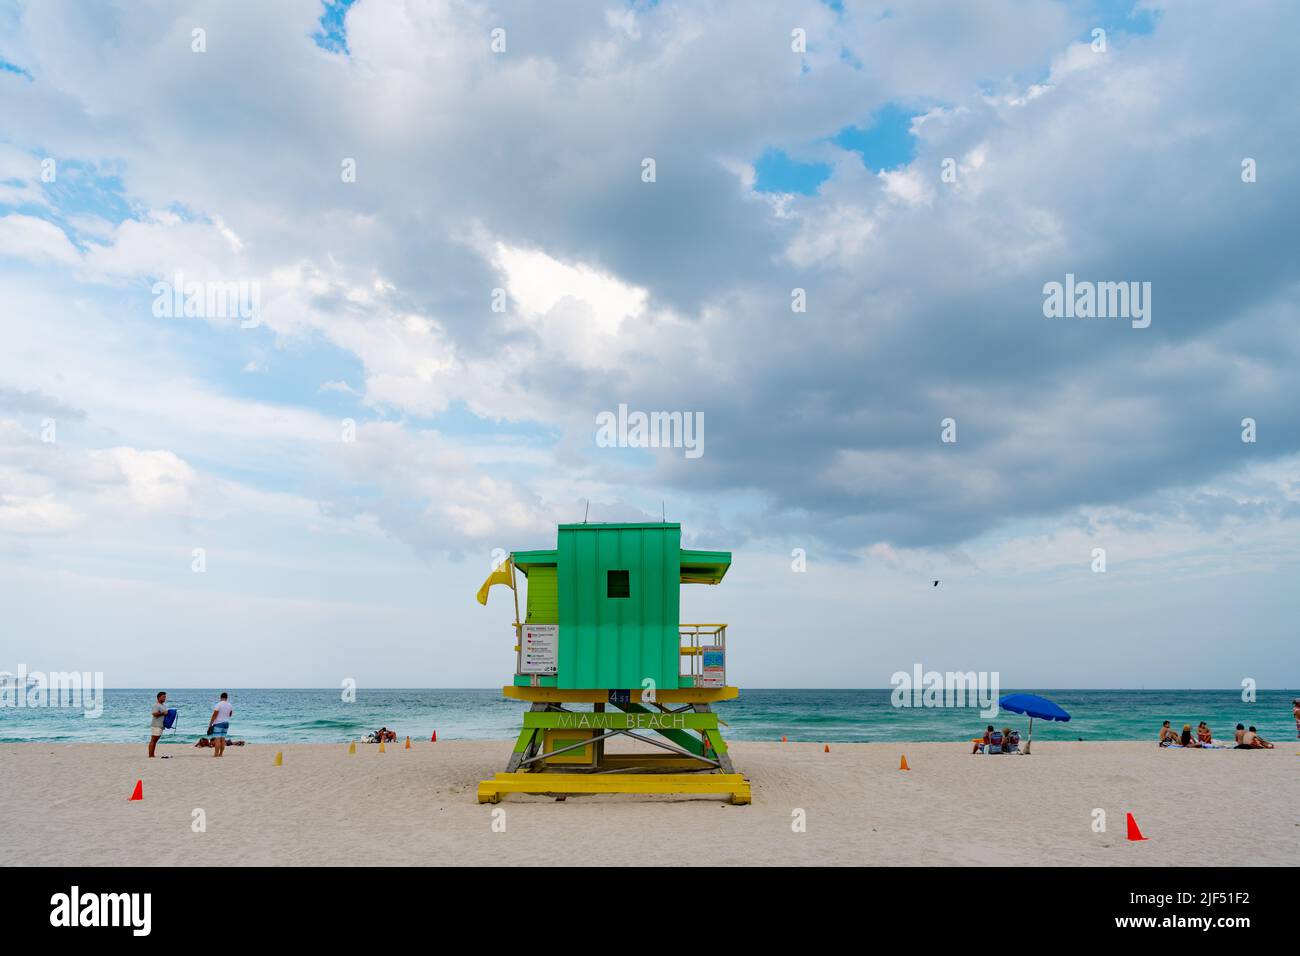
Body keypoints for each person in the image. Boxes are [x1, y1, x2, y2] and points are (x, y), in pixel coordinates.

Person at [207, 692, 234, 758]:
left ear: (220, 697)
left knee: (217, 739)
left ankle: (216, 754)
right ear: (227, 698)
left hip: (219, 723)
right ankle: (221, 754)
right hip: (226, 723)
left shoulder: (218, 704)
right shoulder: (230, 705)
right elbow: (230, 714)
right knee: (223, 739)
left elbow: (214, 715)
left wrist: (210, 724)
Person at [148, 691, 167, 758]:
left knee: (155, 741)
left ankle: (152, 754)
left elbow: (164, 714)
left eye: (165, 697)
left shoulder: (163, 706)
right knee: (153, 740)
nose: (165, 698)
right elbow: (154, 714)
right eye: (163, 697)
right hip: (156, 725)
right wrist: (163, 713)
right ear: (159, 697)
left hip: (161, 725)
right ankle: (150, 755)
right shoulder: (156, 705)